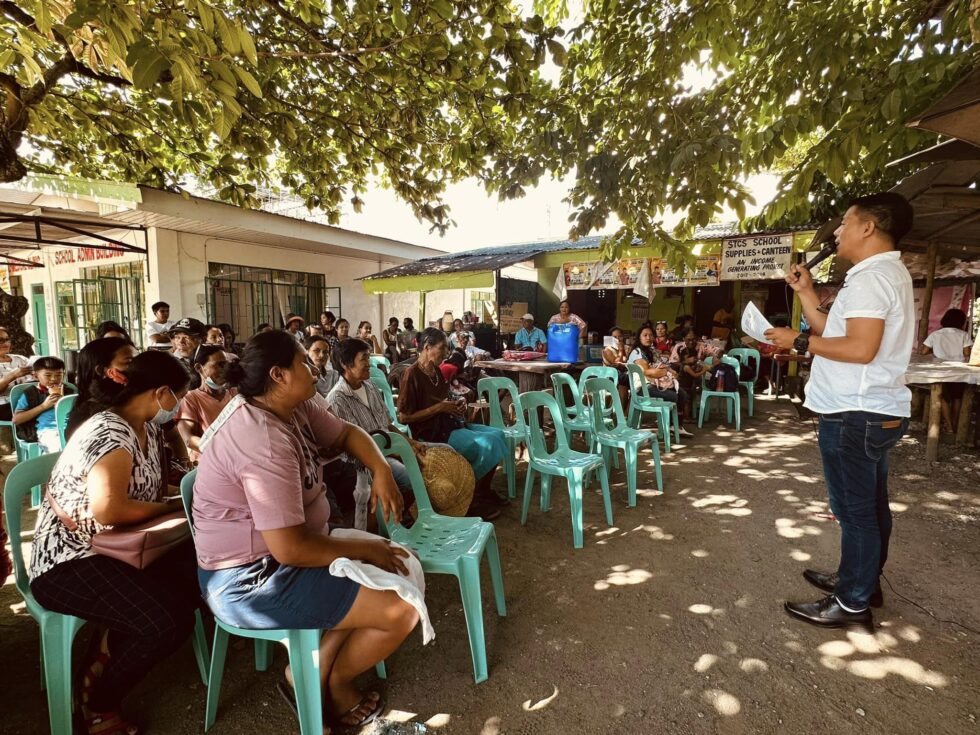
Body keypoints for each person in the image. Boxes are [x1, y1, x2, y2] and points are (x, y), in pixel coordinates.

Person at [193, 330, 419, 729]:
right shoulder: (262, 440)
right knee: (401, 609)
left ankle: (308, 671)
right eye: (303, 361)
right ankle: (333, 682)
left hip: (294, 550)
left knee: (402, 563)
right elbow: (290, 550)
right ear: (279, 375)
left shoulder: (292, 406)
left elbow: (348, 433)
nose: (315, 366)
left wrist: (382, 468)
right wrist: (362, 551)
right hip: (252, 578)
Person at [765, 192, 916, 630]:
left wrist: (796, 341)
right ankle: (861, 582)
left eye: (846, 223)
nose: (838, 232)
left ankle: (851, 602)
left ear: (868, 227)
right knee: (870, 506)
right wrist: (807, 291)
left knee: (855, 511)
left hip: (856, 412)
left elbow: (860, 348)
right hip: (872, 410)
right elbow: (834, 330)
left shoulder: (872, 278)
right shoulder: (884, 273)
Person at [28, 350, 199, 735]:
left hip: (118, 547)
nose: (179, 406)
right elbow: (109, 509)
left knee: (197, 568)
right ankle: (98, 704)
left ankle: (109, 642)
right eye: (179, 396)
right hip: (69, 558)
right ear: (160, 393)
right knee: (167, 622)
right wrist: (169, 505)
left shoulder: (148, 428)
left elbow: (168, 477)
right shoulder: (108, 431)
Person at [397, 328, 508, 519]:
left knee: (498, 435)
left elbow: (444, 397)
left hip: (451, 424)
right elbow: (403, 417)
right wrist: (439, 408)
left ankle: (482, 490)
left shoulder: (436, 372)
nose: (446, 354)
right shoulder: (411, 374)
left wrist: (458, 402)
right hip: (433, 432)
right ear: (427, 347)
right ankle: (469, 496)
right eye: (441, 349)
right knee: (487, 445)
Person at [325, 338, 435, 524]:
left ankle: (399, 514)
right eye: (364, 359)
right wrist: (402, 453)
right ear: (346, 364)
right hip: (367, 462)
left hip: (392, 450)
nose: (370, 364)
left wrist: (411, 443)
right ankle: (397, 519)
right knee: (411, 478)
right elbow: (354, 448)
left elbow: (388, 425)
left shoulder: (370, 387)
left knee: (436, 452)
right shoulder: (337, 398)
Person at [627, 325, 693, 436]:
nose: (648, 337)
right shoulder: (637, 353)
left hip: (655, 384)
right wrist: (666, 372)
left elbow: (663, 365)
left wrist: (667, 371)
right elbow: (647, 372)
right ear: (639, 338)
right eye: (645, 335)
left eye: (651, 335)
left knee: (682, 393)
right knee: (674, 396)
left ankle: (675, 426)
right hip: (642, 388)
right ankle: (670, 426)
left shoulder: (652, 351)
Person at [176, 345, 236, 464]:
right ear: (199, 368)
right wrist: (220, 448)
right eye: (219, 365)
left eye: (226, 365)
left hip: (235, 459)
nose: (225, 370)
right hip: (208, 462)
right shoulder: (191, 399)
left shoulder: (235, 394)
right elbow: (188, 439)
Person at [920, 308, 974, 433]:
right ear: (961, 321)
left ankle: (949, 426)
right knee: (957, 398)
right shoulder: (963, 335)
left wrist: (937, 351)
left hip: (940, 371)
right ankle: (954, 424)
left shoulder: (935, 334)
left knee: (941, 396)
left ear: (945, 319)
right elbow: (967, 354)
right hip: (958, 372)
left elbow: (923, 352)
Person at [13, 356, 75, 454]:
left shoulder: (70, 391)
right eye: (48, 375)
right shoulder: (31, 394)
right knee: (59, 448)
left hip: (71, 427)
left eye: (59, 375)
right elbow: (17, 419)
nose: (53, 379)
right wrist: (44, 406)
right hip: (48, 430)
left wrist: (65, 402)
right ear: (35, 376)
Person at [670, 331, 709, 422]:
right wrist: (704, 370)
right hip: (685, 386)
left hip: (688, 384)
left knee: (688, 400)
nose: (691, 342)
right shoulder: (686, 366)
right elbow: (695, 375)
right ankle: (686, 418)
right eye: (688, 339)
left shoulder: (689, 365)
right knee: (686, 401)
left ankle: (687, 415)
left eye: (694, 339)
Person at [0, 325, 33, 425]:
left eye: (7, 339)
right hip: (5, 405)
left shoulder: (20, 359)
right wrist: (12, 375)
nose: (5, 343)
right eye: (0, 340)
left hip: (28, 400)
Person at [169, 318, 205, 388]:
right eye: (177, 337)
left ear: (203, 340)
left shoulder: (211, 359)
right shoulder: (168, 363)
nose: (181, 342)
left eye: (186, 337)